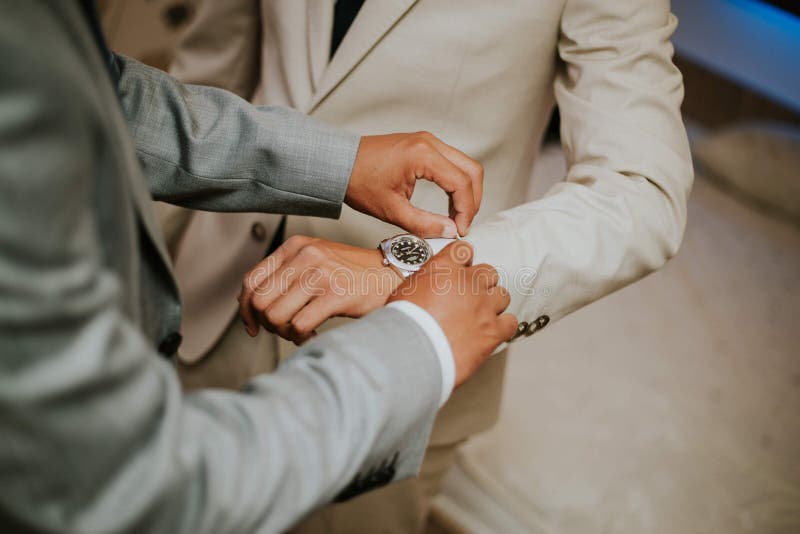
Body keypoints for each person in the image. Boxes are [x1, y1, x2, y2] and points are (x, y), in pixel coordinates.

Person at [166, 0, 695, 532]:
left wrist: (408, 270)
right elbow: (205, 79)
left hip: (402, 373)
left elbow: (639, 189)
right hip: (208, 302)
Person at [0, 1, 517, 532]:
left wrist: (339, 164)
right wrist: (416, 343)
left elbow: (111, 93)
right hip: (215, 307)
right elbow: (128, 483)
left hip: (401, 366)